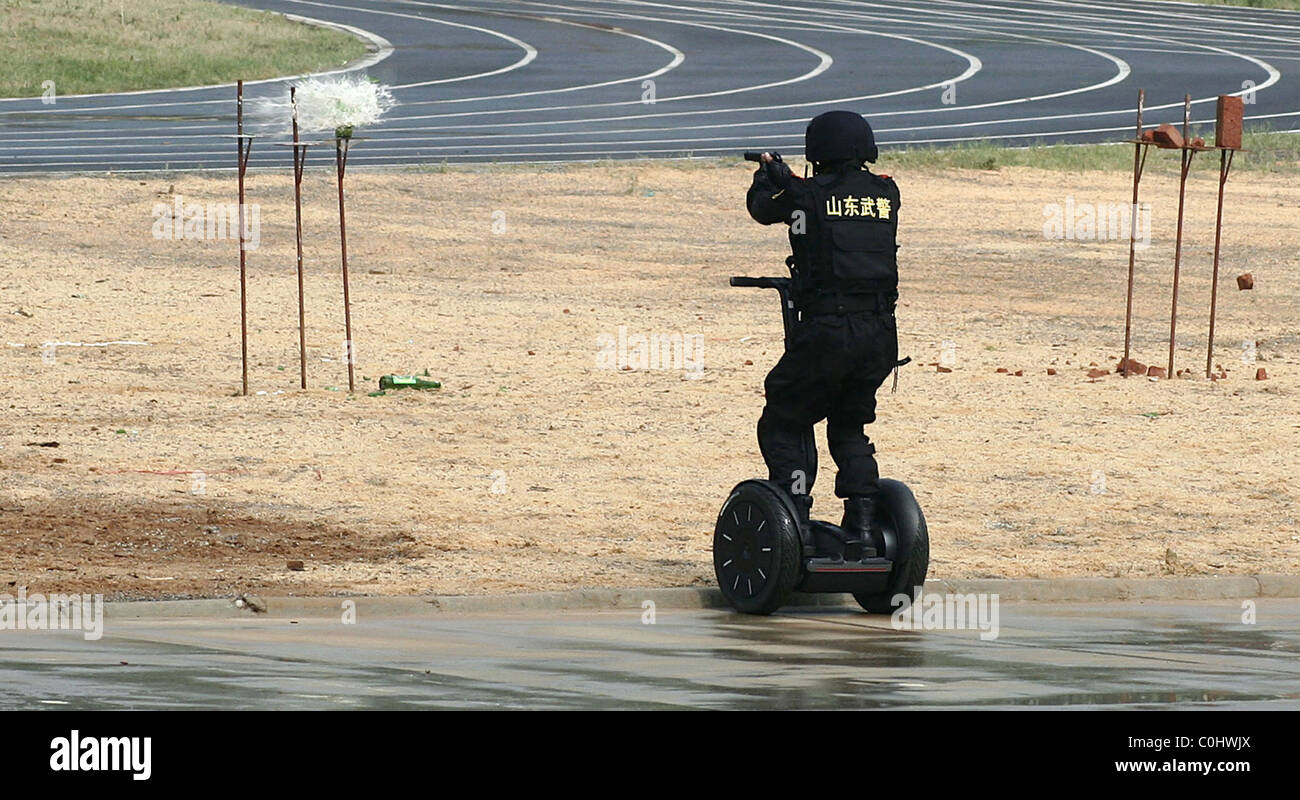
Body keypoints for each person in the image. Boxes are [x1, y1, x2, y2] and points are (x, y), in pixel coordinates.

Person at [745, 109, 901, 551]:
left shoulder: (806, 195)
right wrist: (788, 179)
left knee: (785, 416)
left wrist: (766, 174)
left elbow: (764, 210)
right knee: (849, 425)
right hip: (880, 336)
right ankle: (865, 524)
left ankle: (794, 518)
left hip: (829, 332)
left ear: (820, 151)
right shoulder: (887, 193)